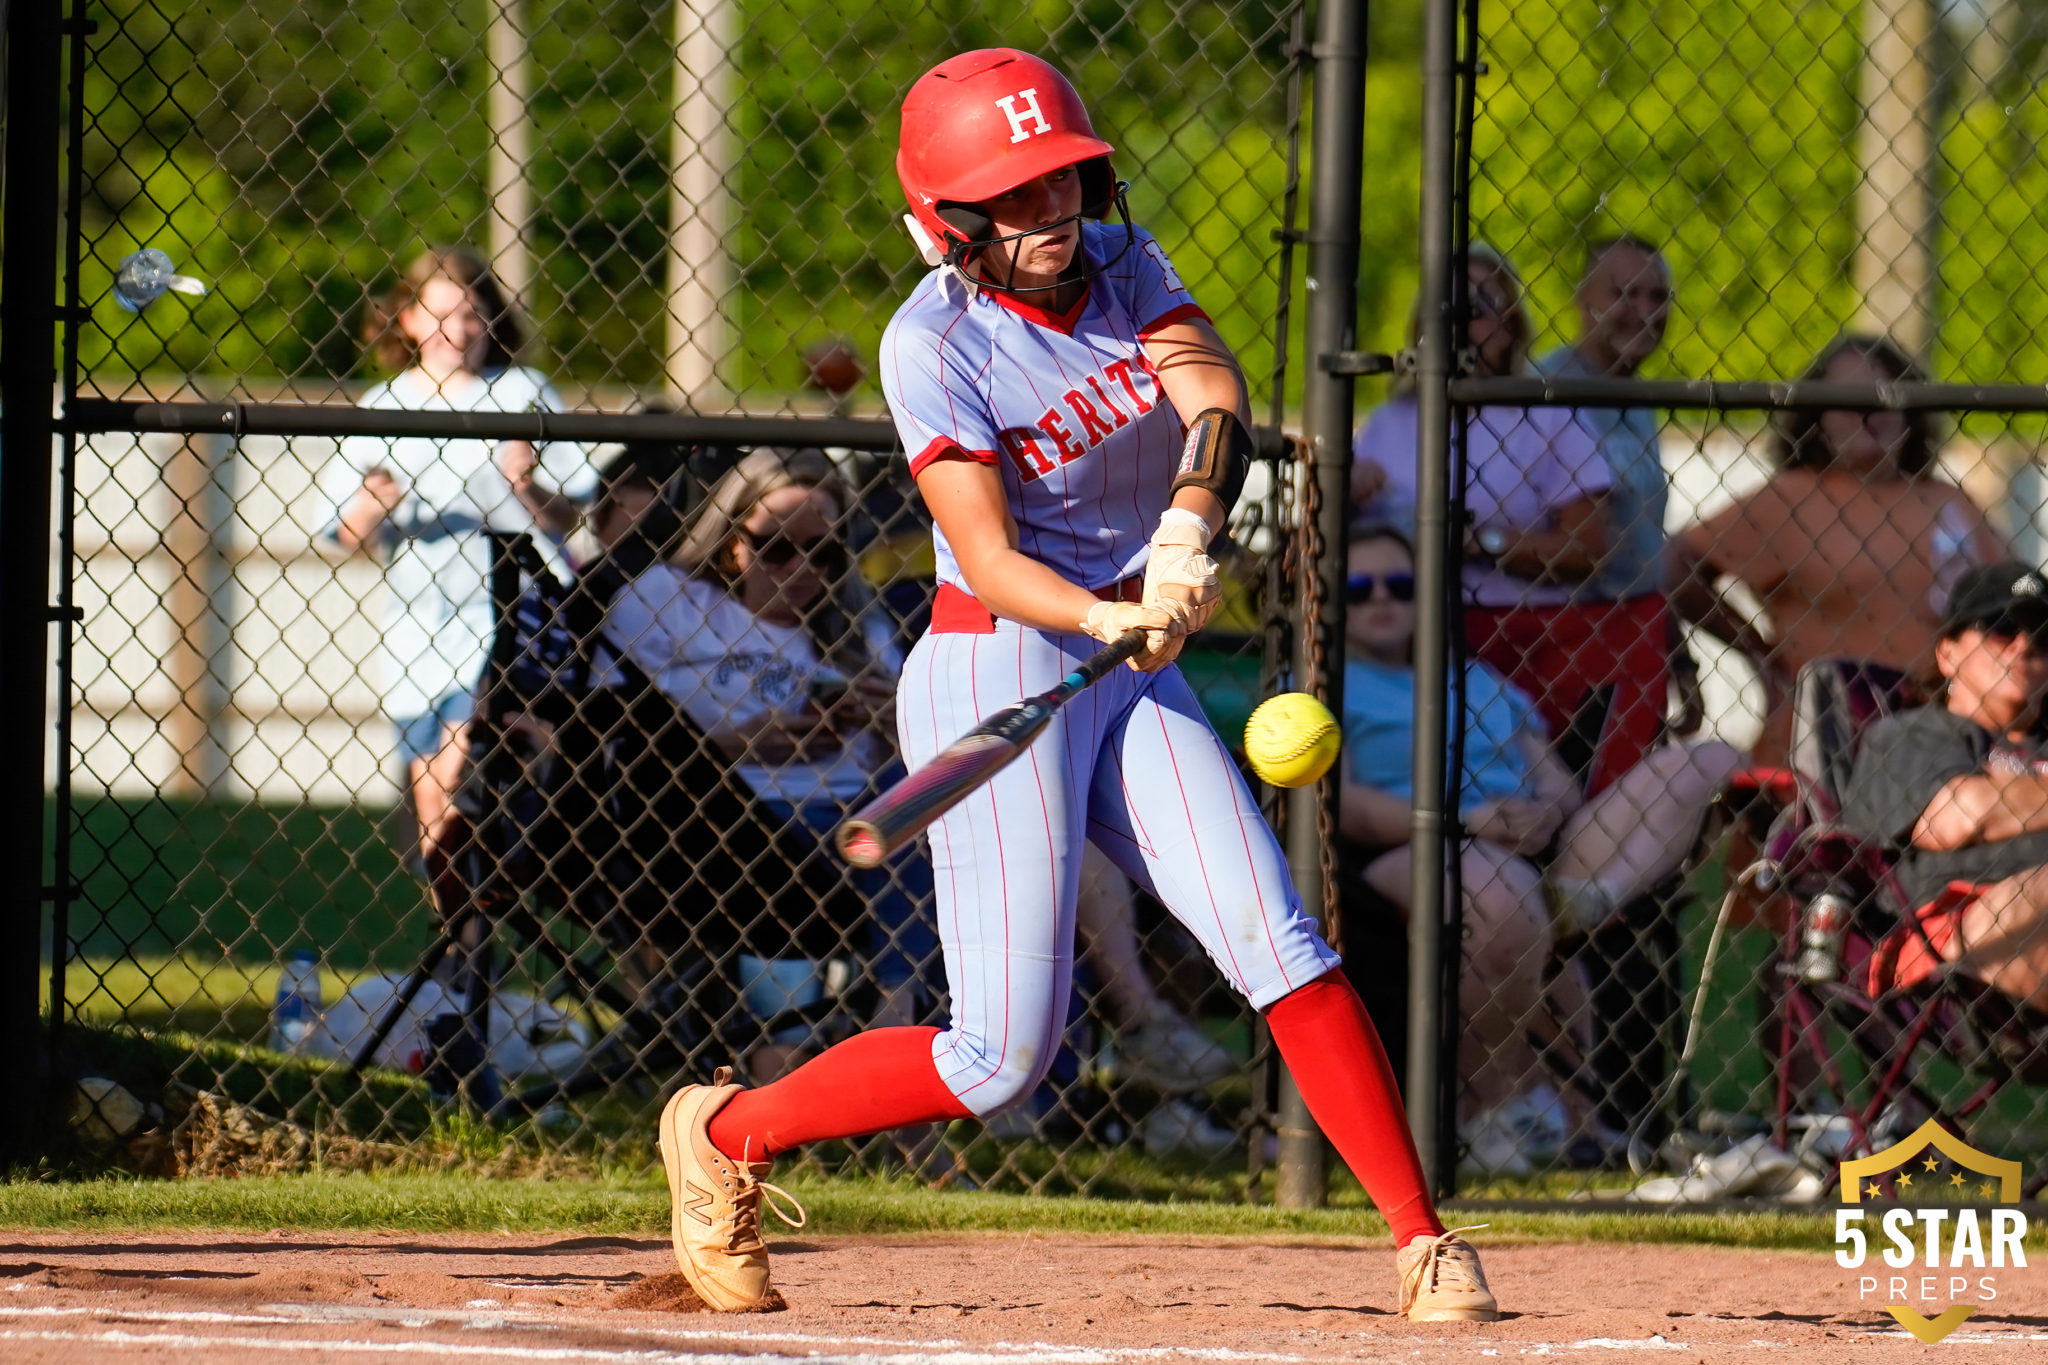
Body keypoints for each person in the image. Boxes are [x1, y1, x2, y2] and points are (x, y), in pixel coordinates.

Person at [651, 50, 1496, 1323]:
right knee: (999, 1058)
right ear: (948, 219)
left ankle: (1420, 1242)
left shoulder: (1125, 261)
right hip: (997, 662)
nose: (1049, 214)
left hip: (1127, 664)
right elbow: (986, 556)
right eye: (1013, 197)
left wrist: (1184, 535)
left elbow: (1212, 392)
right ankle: (725, 1137)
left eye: (1059, 182)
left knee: (1278, 940)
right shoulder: (931, 342)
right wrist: (1109, 612)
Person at [1337, 524, 1738, 1173]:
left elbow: (1554, 780)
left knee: (1708, 761)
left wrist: (1544, 813)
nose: (1382, 598)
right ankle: (1488, 1112)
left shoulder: (1477, 678)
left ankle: (1588, 900)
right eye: (1359, 588)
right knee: (1501, 894)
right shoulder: (1326, 681)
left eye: (1400, 584)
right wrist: (1463, 819)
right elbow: (1344, 804)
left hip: (1530, 845)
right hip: (1419, 845)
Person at [599, 447, 936, 1069]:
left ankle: (894, 1021)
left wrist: (889, 715)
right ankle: (865, 1035)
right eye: (777, 548)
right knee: (871, 838)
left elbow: (905, 748)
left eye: (822, 551)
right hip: (727, 812)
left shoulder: (853, 624)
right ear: (733, 541)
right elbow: (611, 726)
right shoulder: (669, 598)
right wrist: (739, 742)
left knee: (915, 802)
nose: (801, 569)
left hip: (856, 806)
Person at [322, 246, 595, 884]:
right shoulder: (385, 404)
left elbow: (571, 512)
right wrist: (372, 505)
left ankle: (478, 921)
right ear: (409, 320)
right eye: (442, 314)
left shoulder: (523, 392)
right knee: (431, 801)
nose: (459, 330)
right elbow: (343, 532)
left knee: (462, 766)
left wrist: (526, 483)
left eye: (473, 315)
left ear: (491, 322)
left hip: (513, 616)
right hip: (420, 626)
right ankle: (461, 933)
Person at [1352, 247, 1651, 794]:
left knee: (1537, 788)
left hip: (1532, 638)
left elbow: (1588, 549)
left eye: (1483, 305)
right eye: (1449, 307)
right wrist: (1346, 494)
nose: (1464, 321)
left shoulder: (1545, 413)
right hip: (1410, 638)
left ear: (1512, 323)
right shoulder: (1391, 421)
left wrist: (1477, 541)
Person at [1673, 334, 2006, 767]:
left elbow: (2013, 596)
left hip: (1938, 745)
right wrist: (1758, 655)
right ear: (1818, 417)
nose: (1867, 413)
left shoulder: (1947, 501)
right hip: (1823, 743)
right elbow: (1676, 566)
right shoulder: (1790, 499)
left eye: (1884, 397)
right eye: (1847, 400)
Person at [1841, 562, 2048, 1015]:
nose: (2025, 644)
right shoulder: (1912, 734)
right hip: (1959, 934)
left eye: (2043, 635)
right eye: (2000, 627)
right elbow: (1958, 817)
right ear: (1948, 654)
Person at [1531, 234, 1705, 735]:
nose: (1645, 311)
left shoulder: (1633, 396)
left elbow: (1645, 550)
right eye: (1624, 294)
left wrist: (1679, 659)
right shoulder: (1543, 389)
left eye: (1657, 296)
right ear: (1582, 300)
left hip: (1633, 644)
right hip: (1561, 646)